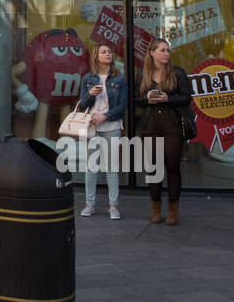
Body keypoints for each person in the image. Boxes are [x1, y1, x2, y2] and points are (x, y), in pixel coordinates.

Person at [134, 38, 193, 226]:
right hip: (150, 125)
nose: (166, 53)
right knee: (153, 167)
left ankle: (173, 208)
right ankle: (155, 208)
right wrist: (147, 98)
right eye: (162, 50)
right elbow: (136, 99)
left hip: (172, 125)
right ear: (152, 53)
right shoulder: (143, 73)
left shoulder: (178, 73)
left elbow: (186, 98)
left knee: (172, 166)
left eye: (168, 50)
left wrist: (168, 98)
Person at [78, 43, 128, 220]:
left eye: (109, 52)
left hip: (112, 125)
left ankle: (113, 206)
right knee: (91, 167)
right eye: (104, 52)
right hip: (92, 127)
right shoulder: (88, 78)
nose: (108, 54)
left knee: (111, 168)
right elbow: (81, 105)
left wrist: (105, 116)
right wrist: (90, 94)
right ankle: (89, 204)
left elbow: (123, 105)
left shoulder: (119, 79)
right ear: (96, 57)